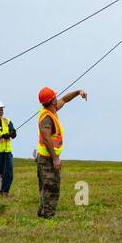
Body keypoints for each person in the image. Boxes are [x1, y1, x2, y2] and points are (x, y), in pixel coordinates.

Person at [35, 85, 87, 219]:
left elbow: (64, 99)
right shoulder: (47, 118)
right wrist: (55, 158)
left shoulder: (51, 110)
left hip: (45, 157)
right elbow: (47, 139)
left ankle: (42, 213)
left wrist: (78, 92)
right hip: (47, 159)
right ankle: (48, 216)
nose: (57, 98)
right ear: (51, 100)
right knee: (51, 188)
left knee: (45, 187)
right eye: (54, 97)